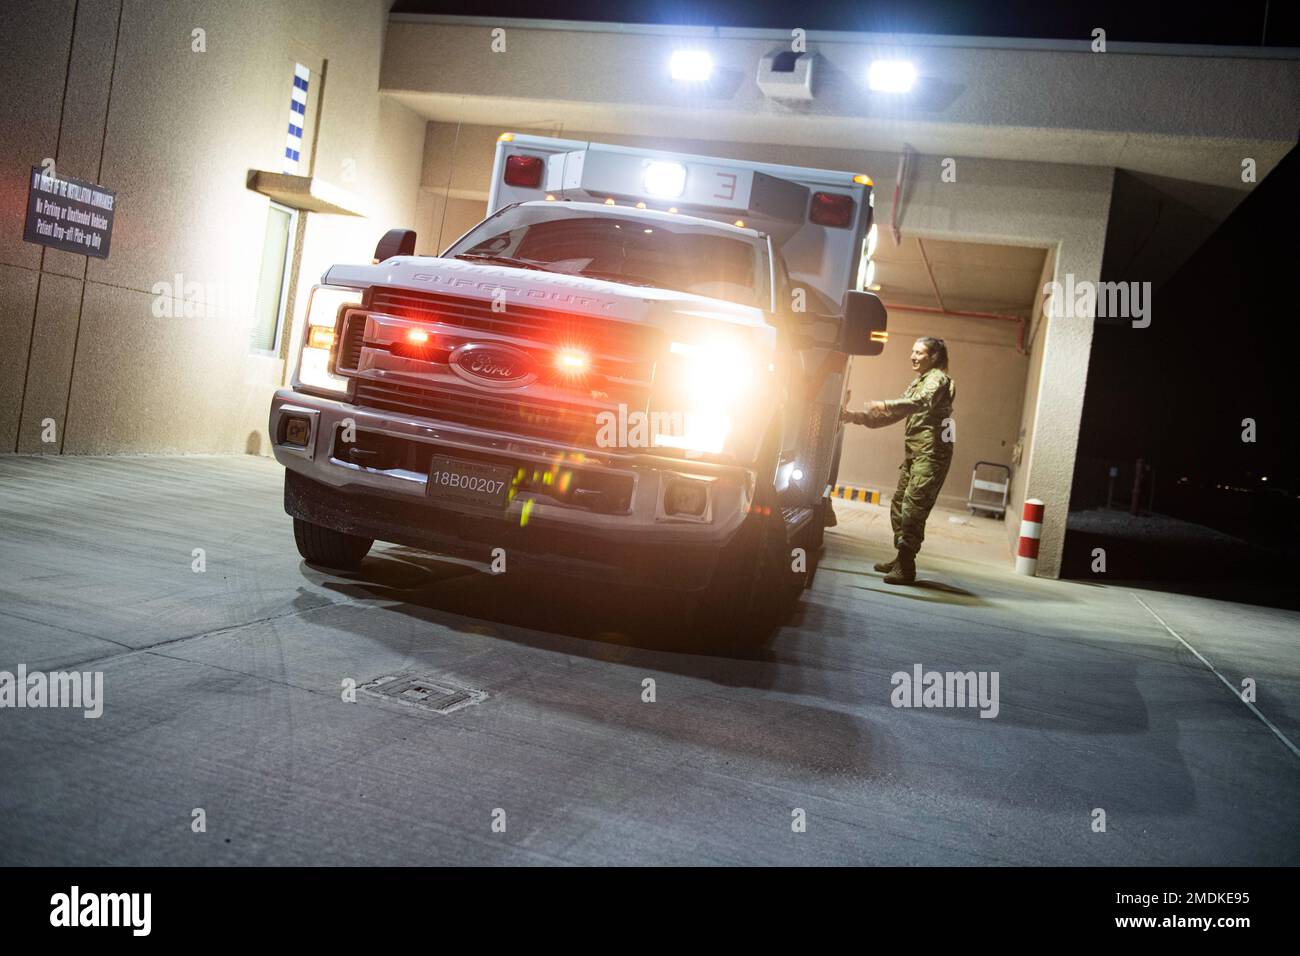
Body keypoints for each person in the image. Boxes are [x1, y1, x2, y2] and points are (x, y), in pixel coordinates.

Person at [841, 337, 955, 584]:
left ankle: (906, 565)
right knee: (899, 504)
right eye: (912, 351)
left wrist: (884, 403)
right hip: (916, 455)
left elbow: (920, 403)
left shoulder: (937, 379)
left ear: (934, 357)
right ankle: (902, 556)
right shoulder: (919, 382)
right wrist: (855, 417)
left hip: (931, 456)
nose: (912, 356)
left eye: (919, 352)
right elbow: (893, 414)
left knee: (913, 509)